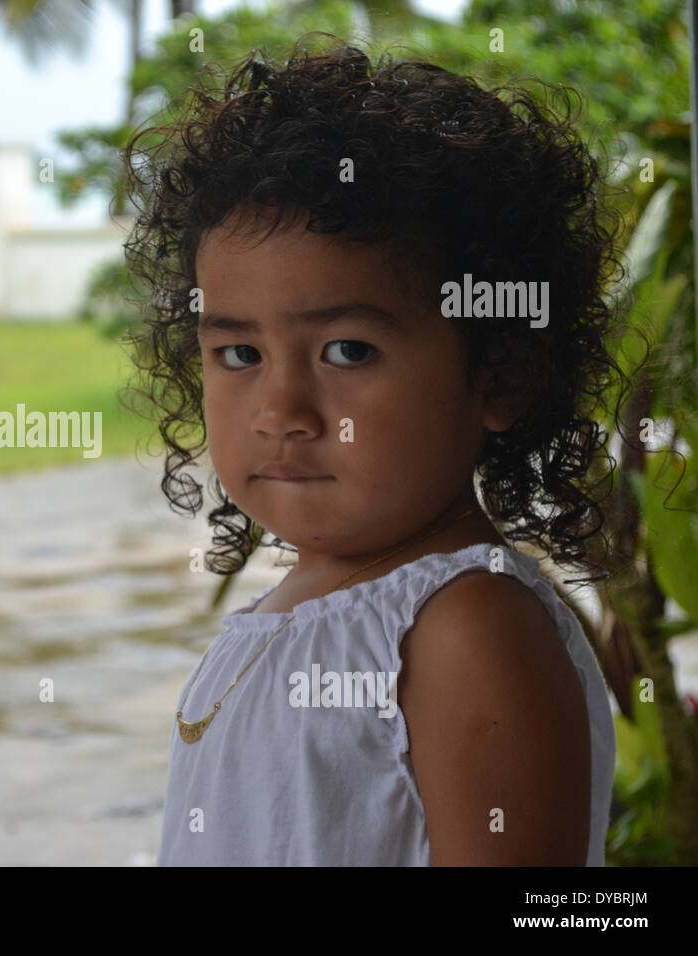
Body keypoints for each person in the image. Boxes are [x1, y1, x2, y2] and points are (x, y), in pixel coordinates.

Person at [119, 38, 632, 865]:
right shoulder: (295, 611)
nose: (282, 410)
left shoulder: (466, 628)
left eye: (348, 351)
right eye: (240, 355)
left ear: (498, 375)